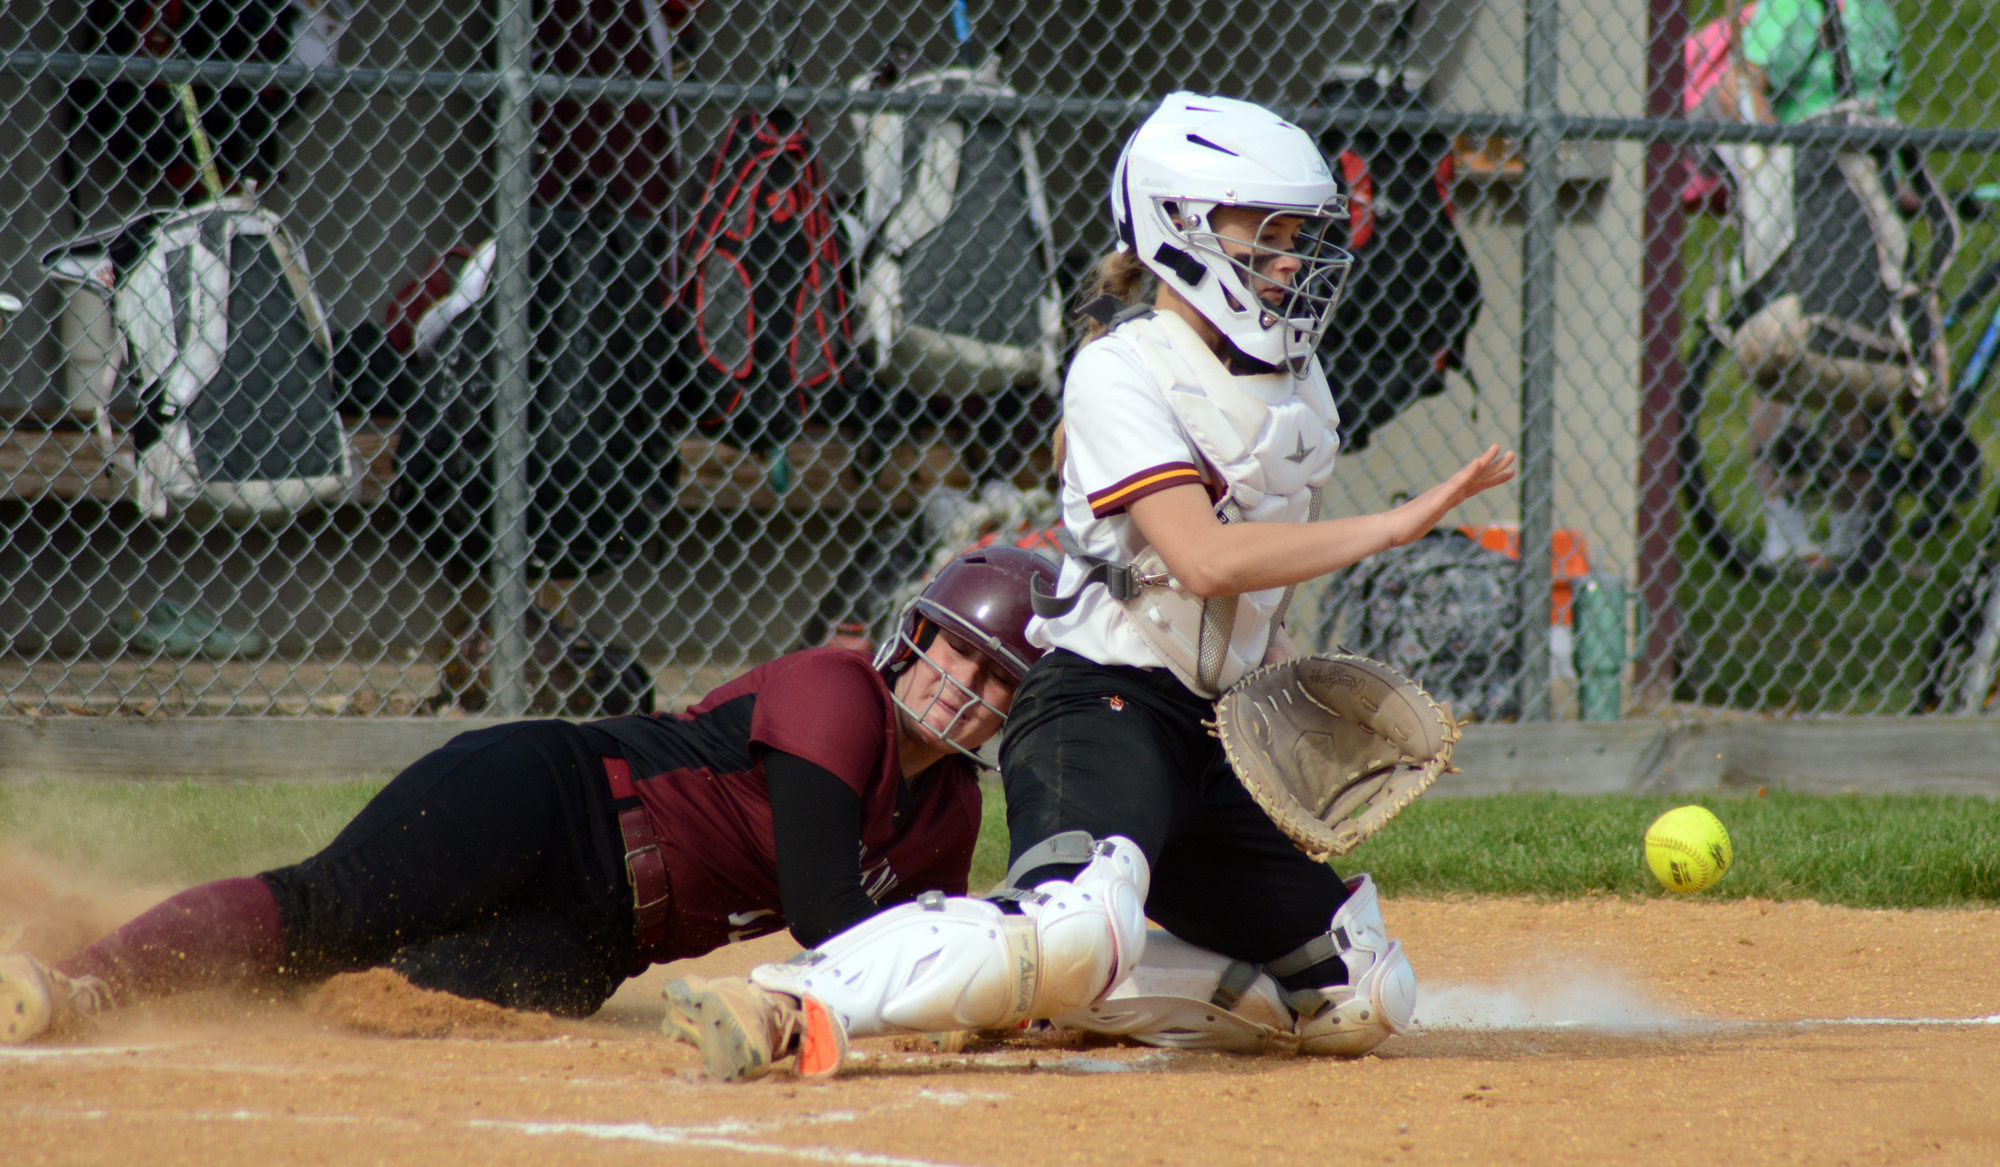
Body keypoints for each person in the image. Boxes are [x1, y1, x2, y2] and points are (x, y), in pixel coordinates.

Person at [661, 93, 1515, 1081]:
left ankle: (1066, 995)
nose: (1291, 260)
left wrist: (1271, 667)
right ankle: (789, 1000)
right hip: (1098, 707)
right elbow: (1199, 559)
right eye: (1266, 235)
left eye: (1300, 237)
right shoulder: (1122, 370)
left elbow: (1246, 586)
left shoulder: (1298, 384)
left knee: (1359, 994)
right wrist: (1395, 524)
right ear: (1180, 229)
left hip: (1206, 733)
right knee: (1077, 920)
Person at [0, 548, 1055, 1044]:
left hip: (601, 939)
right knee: (331, 907)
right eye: (953, 651)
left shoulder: (951, 810)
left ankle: (220, 982)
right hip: (552, 802)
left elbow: (927, 936)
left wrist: (1006, 989)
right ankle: (77, 982)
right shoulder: (838, 690)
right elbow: (836, 922)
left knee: (394, 994)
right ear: (913, 634)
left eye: (996, 674)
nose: (960, 684)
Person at [1712, 0, 1909, 575]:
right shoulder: (1795, 5)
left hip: (1860, 197)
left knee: (1858, 349)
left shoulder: (1878, 13)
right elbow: (1736, 89)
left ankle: (1852, 537)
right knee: (1786, 348)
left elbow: (1883, 110)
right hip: (1801, 198)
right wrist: (1775, 154)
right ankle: (1785, 531)